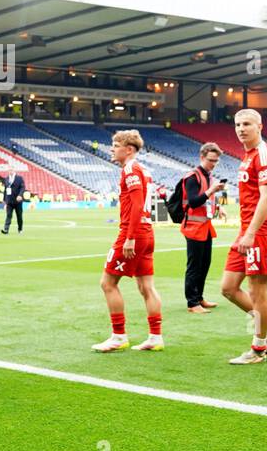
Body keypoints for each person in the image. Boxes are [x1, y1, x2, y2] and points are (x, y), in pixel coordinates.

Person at [220, 109, 267, 364]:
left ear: (260, 126)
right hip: (247, 230)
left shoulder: (263, 154)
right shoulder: (247, 155)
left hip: (260, 231)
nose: (241, 128)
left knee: (257, 290)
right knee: (228, 287)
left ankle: (258, 349)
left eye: (247, 124)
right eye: (237, 124)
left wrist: (250, 233)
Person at [91, 130, 164, 352]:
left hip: (133, 233)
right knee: (146, 286)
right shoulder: (143, 169)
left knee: (108, 283)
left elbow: (136, 203)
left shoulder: (131, 169)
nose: (111, 149)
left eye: (115, 145)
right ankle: (155, 337)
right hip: (146, 232)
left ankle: (118, 336)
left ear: (129, 149)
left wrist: (130, 237)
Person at [175, 142, 225, 314]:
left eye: (216, 161)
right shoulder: (192, 176)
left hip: (205, 226)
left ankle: (199, 297)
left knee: (205, 264)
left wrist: (218, 207)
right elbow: (194, 201)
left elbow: (205, 202)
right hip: (193, 227)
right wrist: (212, 191)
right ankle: (192, 302)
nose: (213, 164)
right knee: (195, 265)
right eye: (211, 160)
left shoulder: (208, 176)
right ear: (202, 157)